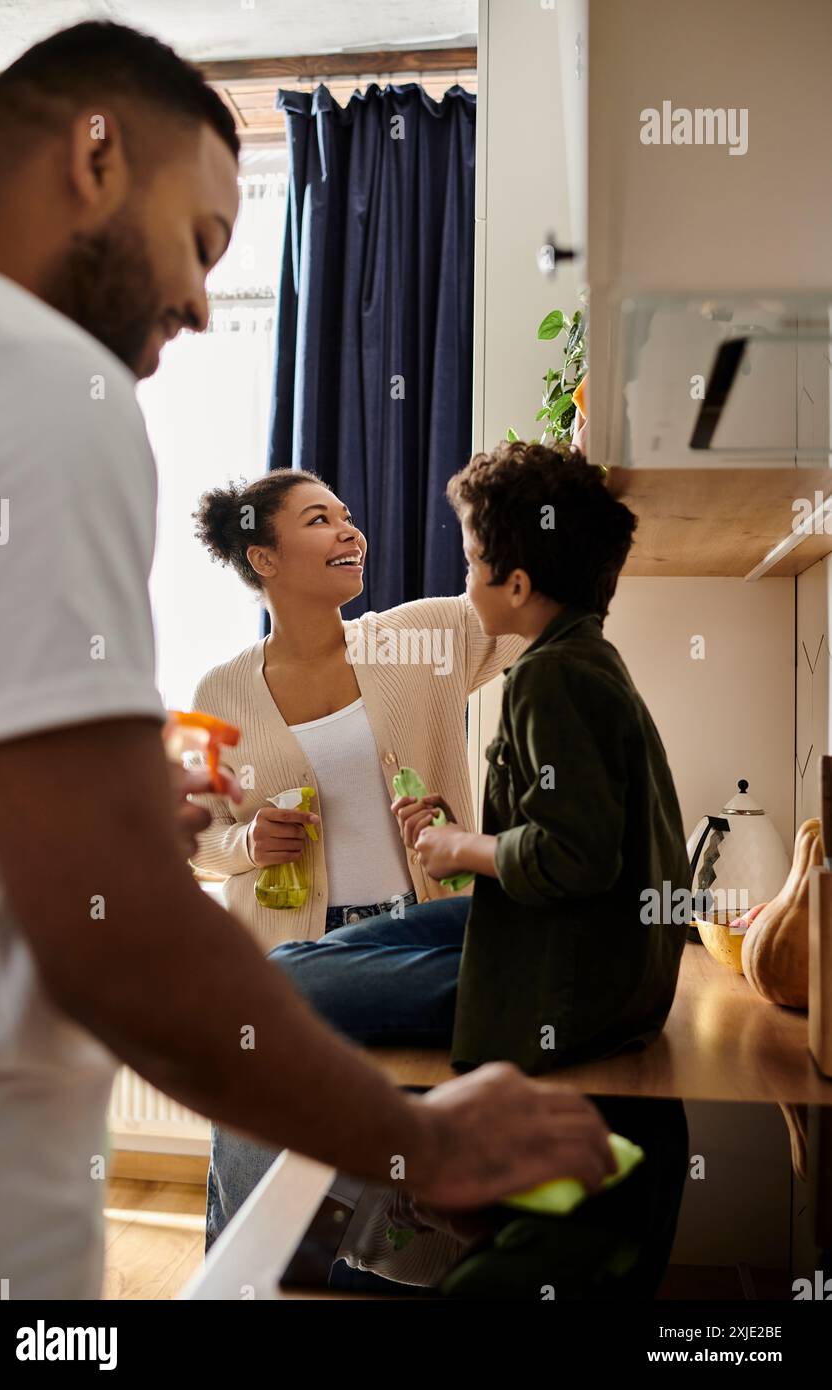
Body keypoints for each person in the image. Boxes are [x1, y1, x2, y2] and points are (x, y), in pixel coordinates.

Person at [0, 21, 615, 1299]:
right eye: (202, 241)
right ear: (95, 154)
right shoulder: (46, 391)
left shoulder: (415, 638)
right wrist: (423, 1141)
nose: (206, 301)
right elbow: (132, 926)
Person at [268, 443, 690, 1074]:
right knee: (314, 952)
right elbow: (575, 832)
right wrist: (459, 835)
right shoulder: (582, 657)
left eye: (471, 564)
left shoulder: (549, 677)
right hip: (606, 963)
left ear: (516, 585)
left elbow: (577, 857)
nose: (465, 583)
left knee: (281, 977)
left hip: (574, 991)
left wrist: (461, 850)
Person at [189, 468, 528, 1246]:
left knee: (419, 1209)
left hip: (423, 941)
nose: (352, 531)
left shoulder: (422, 635)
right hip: (289, 960)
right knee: (257, 1189)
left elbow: (536, 609)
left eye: (348, 516)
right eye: (319, 520)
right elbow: (186, 837)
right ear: (263, 558)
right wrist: (244, 842)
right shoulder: (214, 690)